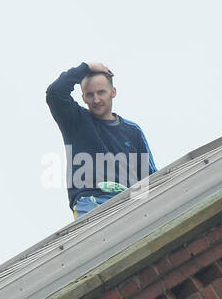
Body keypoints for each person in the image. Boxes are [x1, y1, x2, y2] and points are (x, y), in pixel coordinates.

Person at [46, 61, 157, 220]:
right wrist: (87, 67)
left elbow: (149, 178)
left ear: (113, 92)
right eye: (90, 94)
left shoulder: (133, 131)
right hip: (89, 202)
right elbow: (54, 93)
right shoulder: (76, 121)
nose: (96, 99)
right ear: (83, 97)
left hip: (127, 201)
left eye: (101, 92)